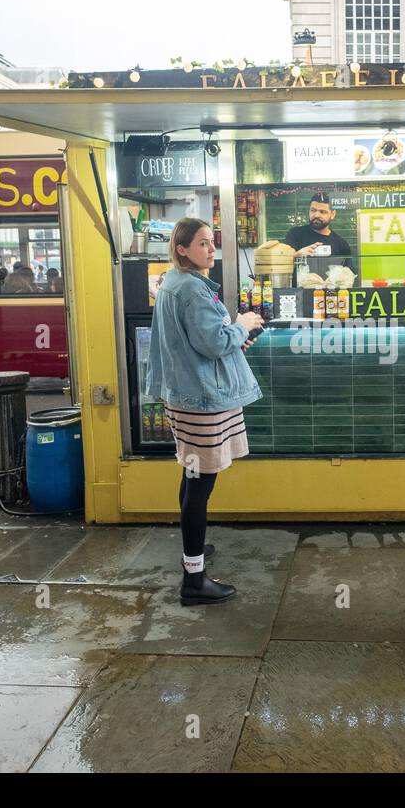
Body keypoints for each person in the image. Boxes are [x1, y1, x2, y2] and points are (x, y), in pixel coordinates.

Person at [143, 217, 263, 606]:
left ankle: (192, 553)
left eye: (212, 243)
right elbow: (213, 342)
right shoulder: (192, 290)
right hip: (202, 401)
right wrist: (241, 325)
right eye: (202, 244)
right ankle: (194, 580)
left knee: (192, 478)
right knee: (200, 486)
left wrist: (232, 338)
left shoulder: (173, 284)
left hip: (187, 395)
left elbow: (201, 342)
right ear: (181, 249)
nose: (211, 250)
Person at [282, 192, 353, 276]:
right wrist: (297, 255)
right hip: (300, 289)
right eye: (313, 210)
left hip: (330, 289)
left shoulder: (341, 244)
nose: (316, 215)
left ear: (333, 214)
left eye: (322, 212)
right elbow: (281, 264)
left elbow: (348, 277)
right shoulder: (295, 234)